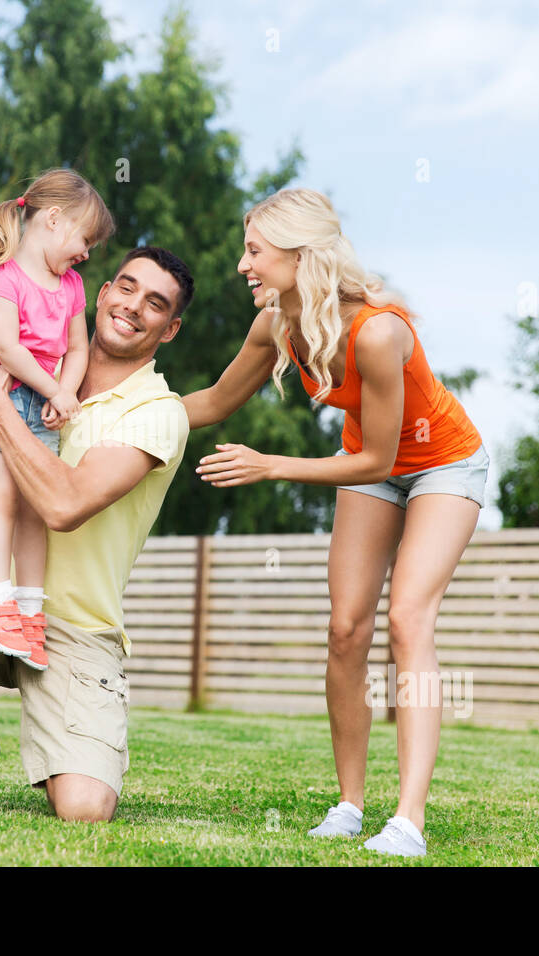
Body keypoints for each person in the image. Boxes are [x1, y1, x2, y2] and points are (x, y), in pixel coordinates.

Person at [182, 188, 488, 856]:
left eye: (254, 250)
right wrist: (115, 418)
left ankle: (408, 820)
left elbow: (379, 455)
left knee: (408, 619)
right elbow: (213, 400)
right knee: (346, 629)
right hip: (369, 465)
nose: (242, 265)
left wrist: (272, 466)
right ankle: (350, 805)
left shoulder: (378, 330)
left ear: (300, 253)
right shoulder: (275, 324)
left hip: (443, 463)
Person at [0, 246, 194, 822]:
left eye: (155, 304)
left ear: (169, 329)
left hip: (77, 629)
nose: (133, 307)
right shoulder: (31, 369)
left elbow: (64, 506)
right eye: (125, 288)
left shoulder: (158, 412)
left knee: (83, 811)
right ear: (100, 294)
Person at [0, 169, 114, 671]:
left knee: (33, 507)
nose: (86, 253)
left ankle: (29, 612)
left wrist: (66, 390)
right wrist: (54, 389)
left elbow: (75, 347)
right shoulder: (2, 280)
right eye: (84, 239)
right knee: (1, 499)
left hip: (42, 402)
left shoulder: (71, 285)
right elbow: (6, 348)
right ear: (53, 219)